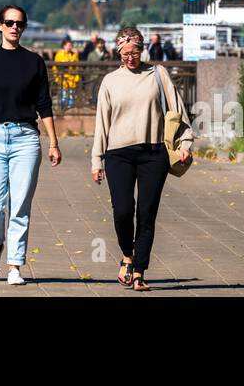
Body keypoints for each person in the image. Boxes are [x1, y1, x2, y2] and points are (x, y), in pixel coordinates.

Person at [0, 4, 61, 286]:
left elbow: (44, 103)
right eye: (9, 22)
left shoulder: (34, 62)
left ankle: (15, 266)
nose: (15, 27)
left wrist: (53, 142)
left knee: (19, 205)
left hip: (26, 138)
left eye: (20, 23)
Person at [92, 26, 193, 291]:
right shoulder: (110, 81)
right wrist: (96, 161)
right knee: (123, 211)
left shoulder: (157, 74)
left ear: (142, 48)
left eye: (135, 51)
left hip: (153, 153)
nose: (130, 57)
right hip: (118, 155)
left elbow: (177, 111)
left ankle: (139, 270)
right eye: (125, 53)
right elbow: (101, 125)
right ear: (118, 52)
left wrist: (186, 142)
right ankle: (127, 254)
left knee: (147, 214)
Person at [52, 37, 80, 109]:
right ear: (64, 46)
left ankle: (69, 113)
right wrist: (57, 79)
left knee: (71, 99)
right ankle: (62, 112)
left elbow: (77, 68)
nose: (70, 47)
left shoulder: (74, 55)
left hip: (72, 80)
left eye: (71, 45)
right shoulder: (59, 55)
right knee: (63, 98)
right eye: (69, 45)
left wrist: (77, 78)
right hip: (63, 80)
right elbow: (55, 68)